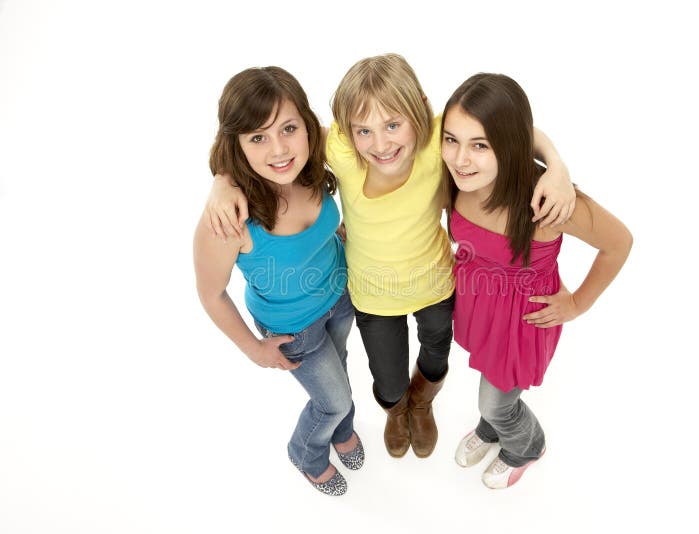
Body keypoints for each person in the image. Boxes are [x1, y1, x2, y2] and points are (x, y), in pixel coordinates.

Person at [202, 54, 576, 459]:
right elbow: (273, 143)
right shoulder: (343, 153)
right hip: (372, 294)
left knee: (436, 356)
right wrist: (222, 180)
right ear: (348, 131)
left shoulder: (436, 143)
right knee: (389, 377)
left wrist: (556, 164)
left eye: (394, 125)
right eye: (364, 130)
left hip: (435, 285)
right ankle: (398, 408)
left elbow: (510, 130)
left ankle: (423, 402)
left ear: (419, 108)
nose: (380, 145)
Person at [441, 73, 632, 489]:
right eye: (451, 140)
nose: (460, 159)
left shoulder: (547, 202)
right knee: (491, 384)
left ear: (508, 146)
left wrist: (579, 303)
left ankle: (524, 445)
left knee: (497, 400)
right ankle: (491, 427)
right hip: (479, 303)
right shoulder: (455, 180)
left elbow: (619, 242)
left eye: (480, 146)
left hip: (522, 321)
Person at [193, 67, 363, 496]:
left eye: (289, 128)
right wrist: (253, 349)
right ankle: (306, 452)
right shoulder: (227, 219)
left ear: (307, 126)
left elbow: (371, 135)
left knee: (340, 371)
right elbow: (211, 294)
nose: (280, 149)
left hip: (340, 296)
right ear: (237, 144)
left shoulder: (314, 161)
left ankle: (343, 430)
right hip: (293, 328)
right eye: (258, 138)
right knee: (333, 398)